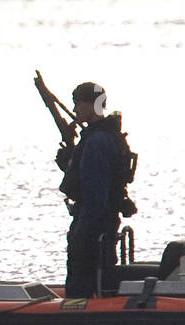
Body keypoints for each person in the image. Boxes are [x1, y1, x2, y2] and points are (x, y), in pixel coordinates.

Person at [62, 82, 123, 298]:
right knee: (100, 272)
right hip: (105, 219)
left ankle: (79, 312)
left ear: (90, 105)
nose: (75, 109)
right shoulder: (108, 135)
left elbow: (95, 191)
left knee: (82, 278)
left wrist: (82, 232)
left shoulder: (96, 140)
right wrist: (70, 164)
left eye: (78, 103)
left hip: (93, 223)